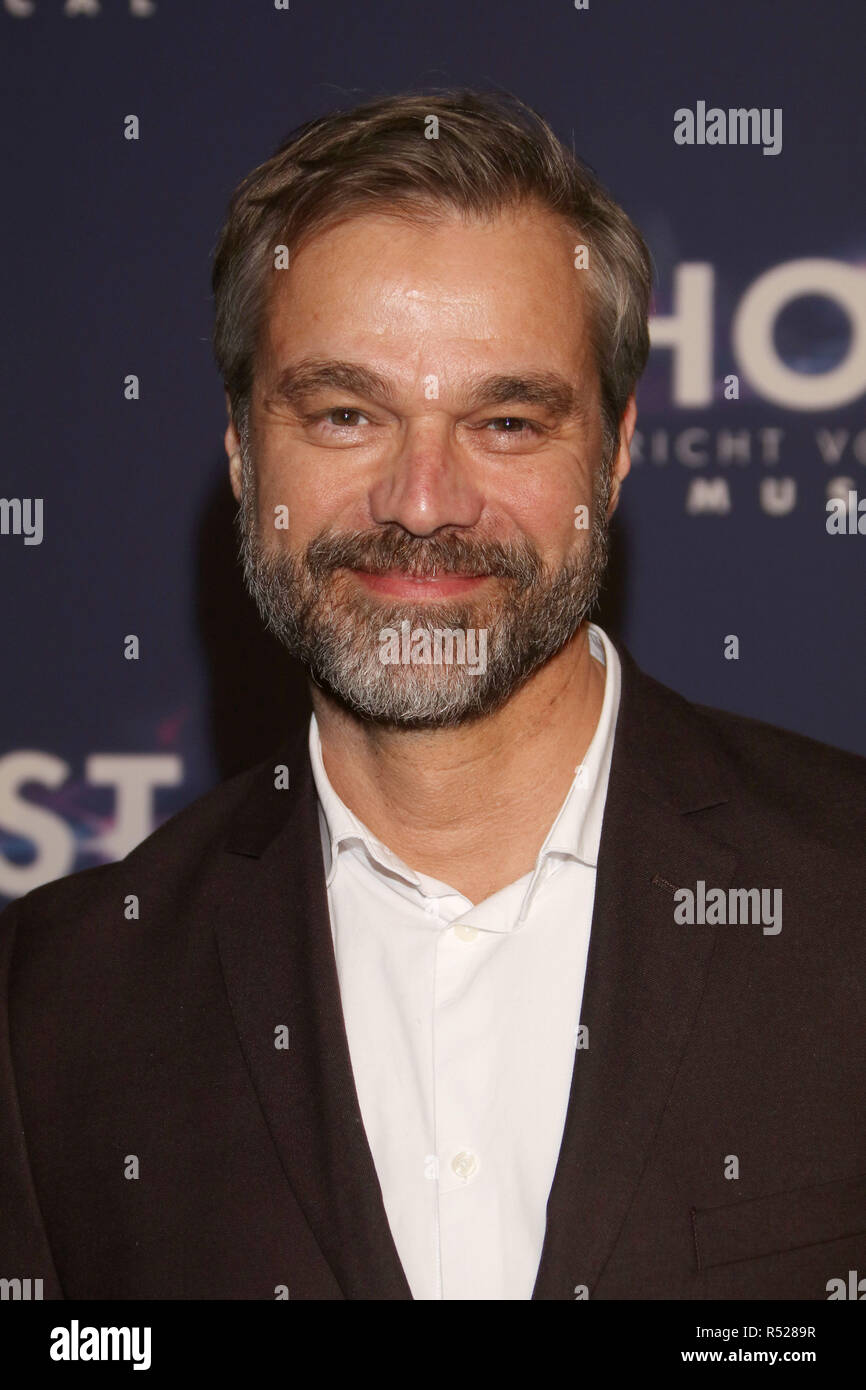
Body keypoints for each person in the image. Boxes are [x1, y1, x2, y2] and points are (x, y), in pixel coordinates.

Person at [1, 89, 864, 1302]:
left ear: (613, 448)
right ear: (246, 452)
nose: (420, 500)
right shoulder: (54, 1007)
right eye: (347, 413)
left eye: (505, 420)